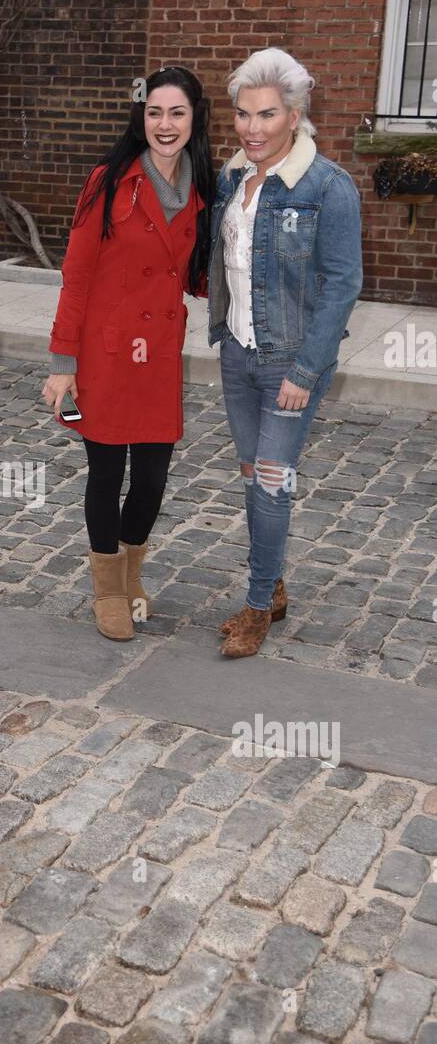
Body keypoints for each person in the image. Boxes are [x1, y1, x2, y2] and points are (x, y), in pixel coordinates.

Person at [42, 67, 214, 639]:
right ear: (141, 119)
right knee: (106, 473)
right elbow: (77, 275)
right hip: (109, 354)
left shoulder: (203, 188)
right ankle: (108, 589)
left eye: (177, 113)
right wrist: (64, 363)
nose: (165, 125)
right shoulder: (110, 181)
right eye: (154, 113)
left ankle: (132, 570)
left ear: (194, 119)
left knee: (152, 480)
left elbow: (198, 275)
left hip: (159, 353)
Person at [208, 47, 363, 658]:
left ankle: (255, 606)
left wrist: (306, 368)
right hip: (238, 355)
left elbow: (343, 285)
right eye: (243, 115)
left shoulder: (328, 187)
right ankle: (271, 585)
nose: (252, 127)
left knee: (271, 479)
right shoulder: (231, 179)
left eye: (266, 115)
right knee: (253, 474)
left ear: (294, 116)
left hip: (291, 360)